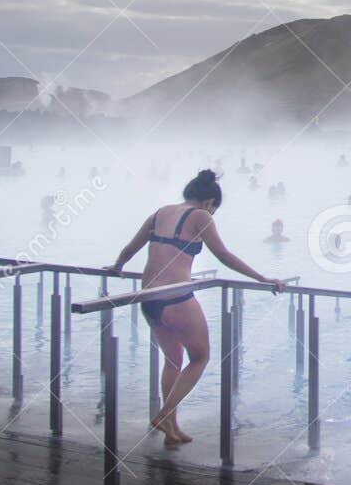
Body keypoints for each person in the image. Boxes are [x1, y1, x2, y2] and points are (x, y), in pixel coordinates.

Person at [109, 170, 283, 447]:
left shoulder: (160, 213)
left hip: (149, 297)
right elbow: (223, 255)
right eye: (214, 209)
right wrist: (262, 278)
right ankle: (164, 415)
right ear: (209, 202)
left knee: (173, 360)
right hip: (176, 297)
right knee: (200, 357)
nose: (213, 215)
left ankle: (172, 427)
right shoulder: (201, 216)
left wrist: (117, 267)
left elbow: (131, 248)